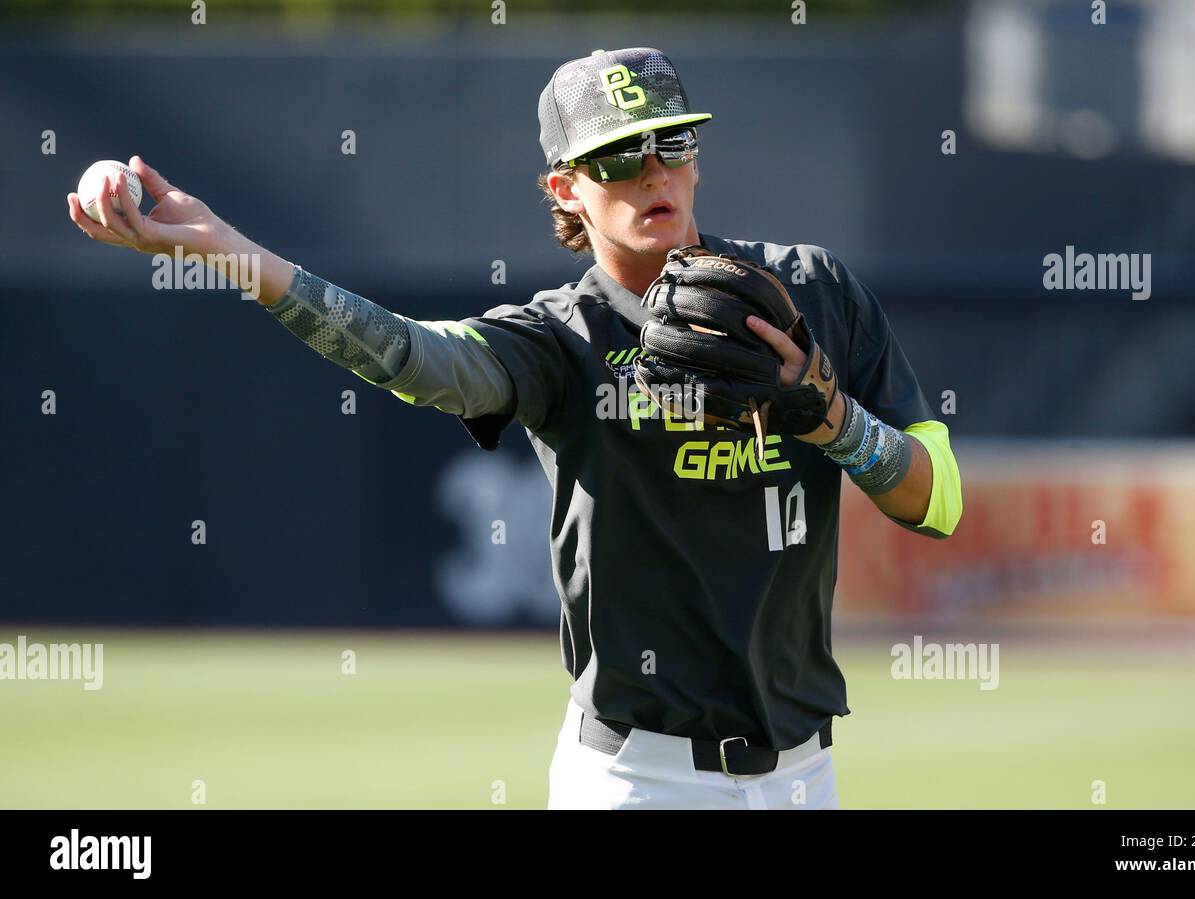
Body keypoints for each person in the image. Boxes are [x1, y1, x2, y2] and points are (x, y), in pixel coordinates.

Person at [67, 47, 962, 810]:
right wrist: (227, 247)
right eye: (616, 156)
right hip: (640, 780)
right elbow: (414, 358)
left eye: (672, 141)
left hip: (807, 778)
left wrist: (834, 420)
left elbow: (940, 501)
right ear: (565, 187)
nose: (652, 170)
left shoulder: (814, 294)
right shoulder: (559, 338)